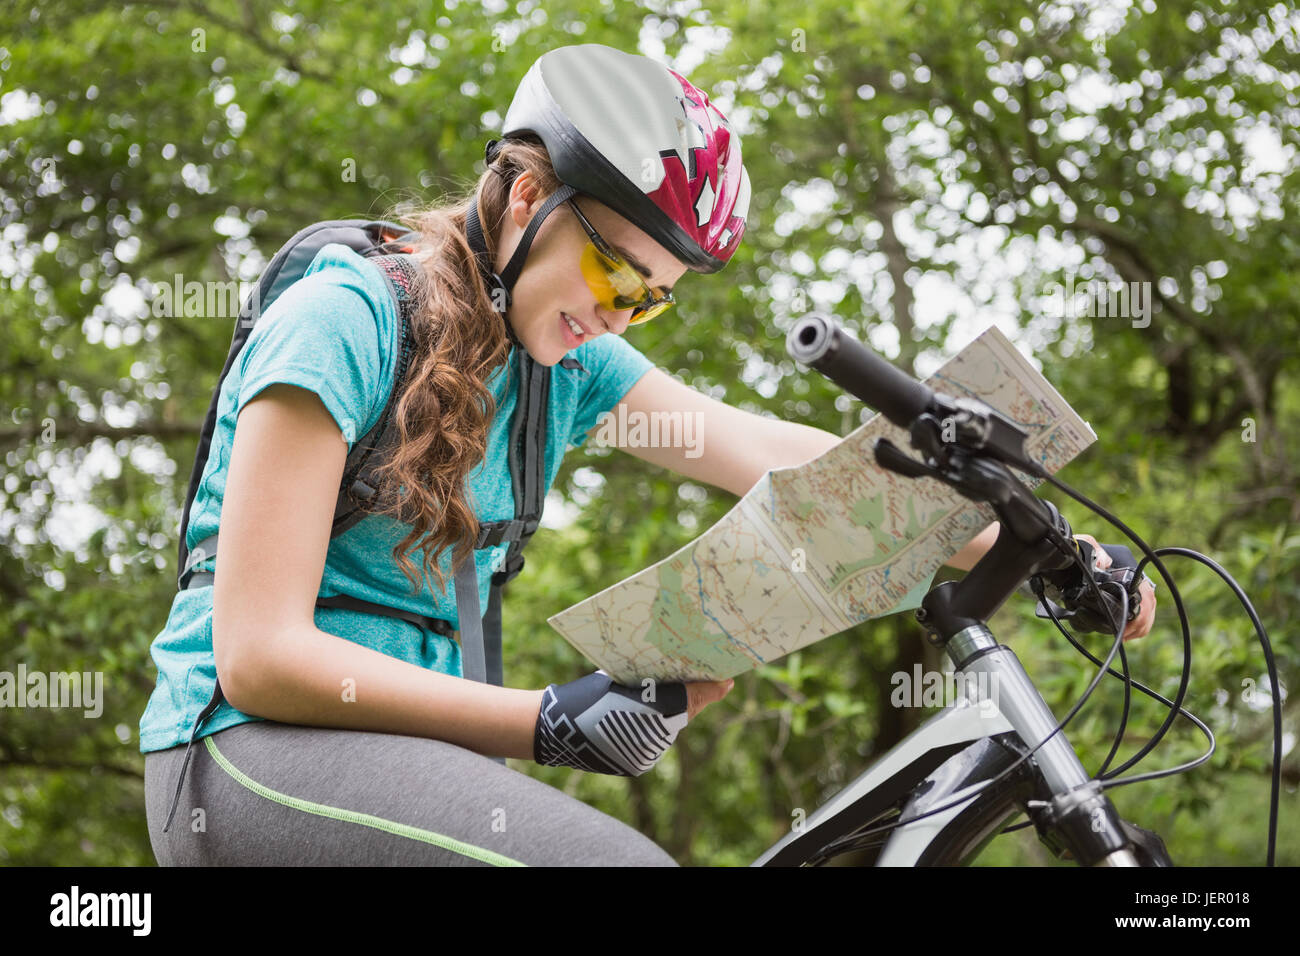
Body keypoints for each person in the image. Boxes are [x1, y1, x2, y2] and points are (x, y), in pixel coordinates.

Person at [140, 43, 1156, 867]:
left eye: (651, 295)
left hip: (403, 762)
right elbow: (258, 656)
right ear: (525, 190)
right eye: (613, 270)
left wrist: (1033, 537)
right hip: (238, 751)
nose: (620, 312)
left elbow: (764, 451)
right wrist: (541, 719)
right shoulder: (343, 318)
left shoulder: (558, 366)